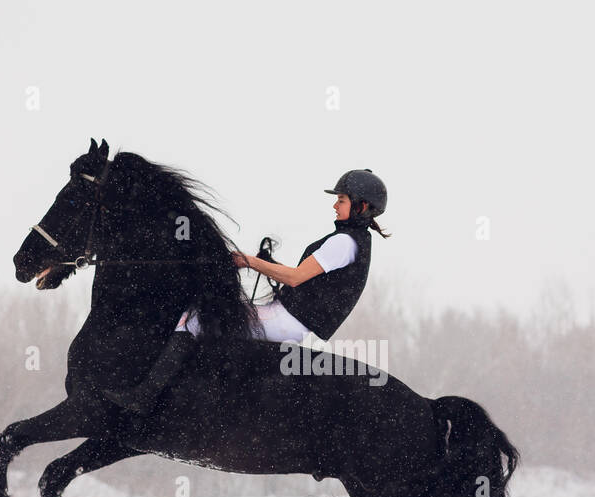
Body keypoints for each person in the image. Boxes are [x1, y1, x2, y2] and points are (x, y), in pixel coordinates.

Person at [101, 168, 389, 415]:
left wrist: (251, 261)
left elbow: (295, 278)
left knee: (195, 320)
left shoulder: (344, 243)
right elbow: (305, 279)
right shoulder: (353, 242)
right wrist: (268, 263)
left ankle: (145, 397)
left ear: (361, 206)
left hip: (287, 322)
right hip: (289, 318)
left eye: (341, 200)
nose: (335, 206)